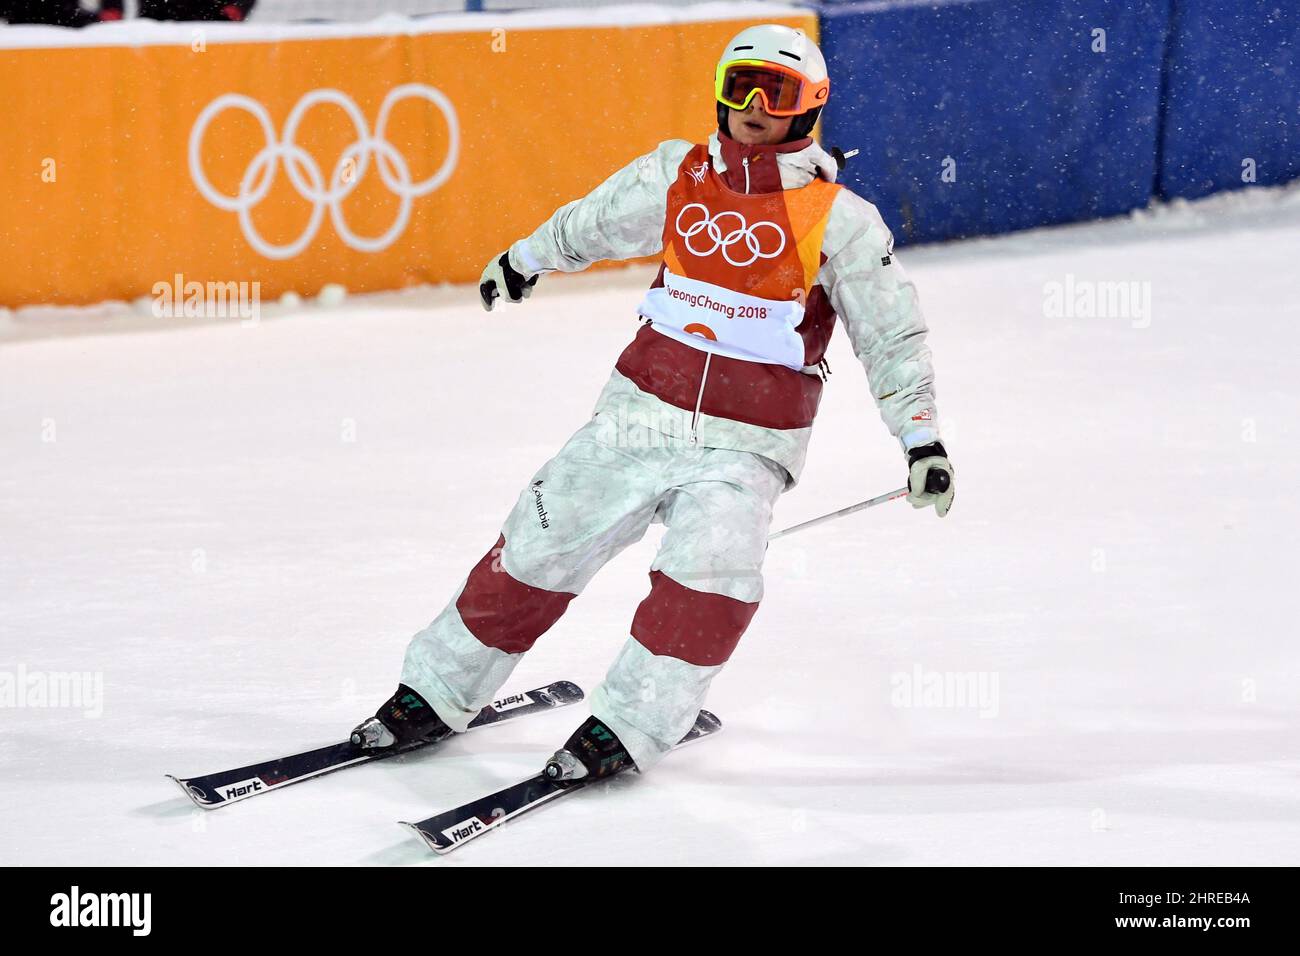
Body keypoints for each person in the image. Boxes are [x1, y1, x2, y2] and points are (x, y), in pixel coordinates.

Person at [350, 24, 956, 782]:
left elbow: (892, 336)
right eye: (742, 86)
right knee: (538, 544)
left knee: (708, 581)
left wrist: (921, 439)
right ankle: (435, 692)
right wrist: (526, 259)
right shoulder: (679, 173)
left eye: (779, 92)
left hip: (748, 445)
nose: (756, 106)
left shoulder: (841, 221)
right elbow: (594, 220)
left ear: (813, 106)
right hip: (635, 413)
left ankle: (632, 723)